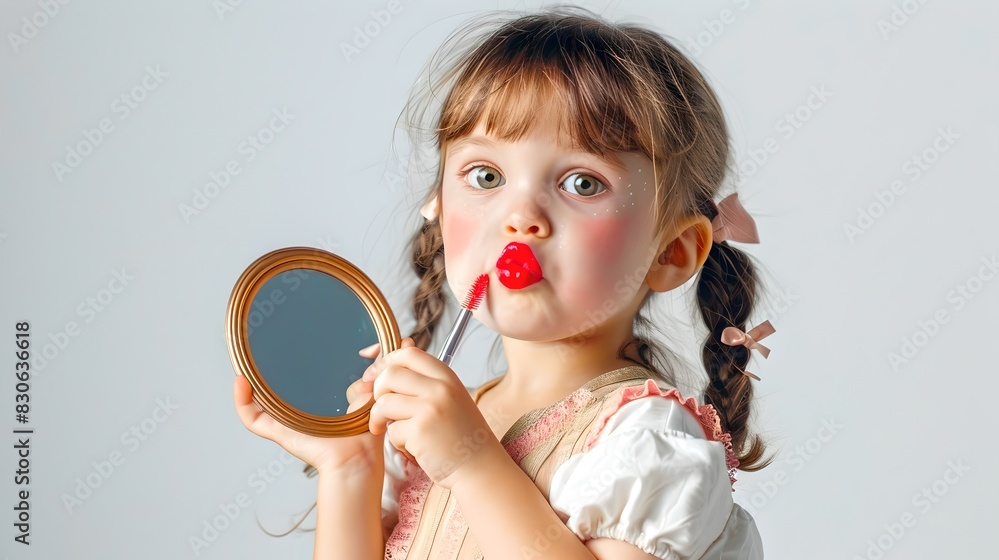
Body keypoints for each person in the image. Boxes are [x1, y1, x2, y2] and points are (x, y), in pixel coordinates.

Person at [234, 6, 777, 559]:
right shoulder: (436, 426)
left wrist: (471, 464)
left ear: (671, 252)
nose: (521, 215)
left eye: (583, 182)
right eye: (486, 176)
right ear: (438, 207)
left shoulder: (649, 438)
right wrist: (350, 467)